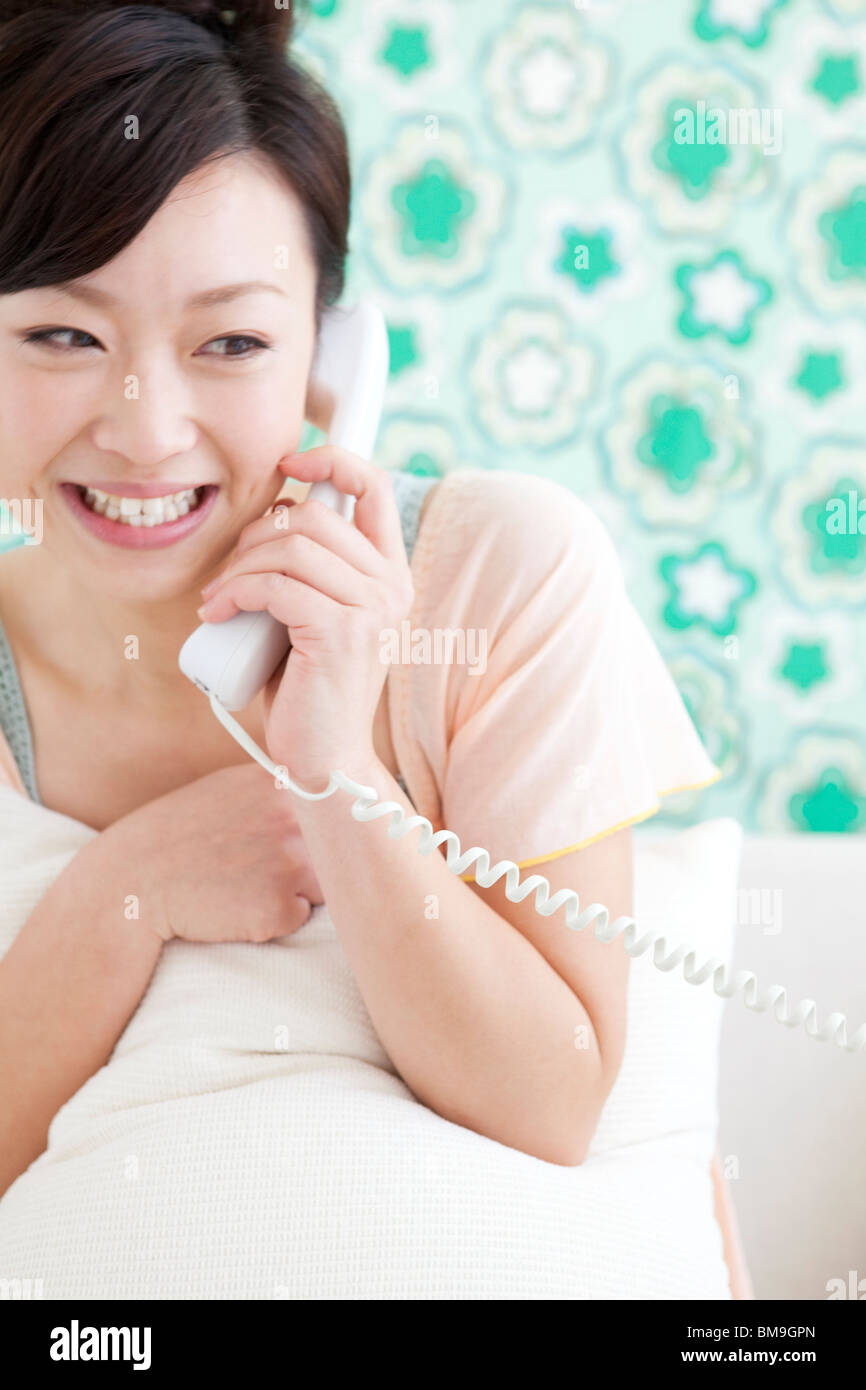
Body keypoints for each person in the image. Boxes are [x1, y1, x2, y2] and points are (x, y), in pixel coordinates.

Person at [0, 0, 748, 1299]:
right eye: (64, 335)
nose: (146, 428)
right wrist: (124, 891)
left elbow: (547, 1100)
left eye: (231, 342)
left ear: (330, 362)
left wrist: (339, 766)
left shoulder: (500, 574)